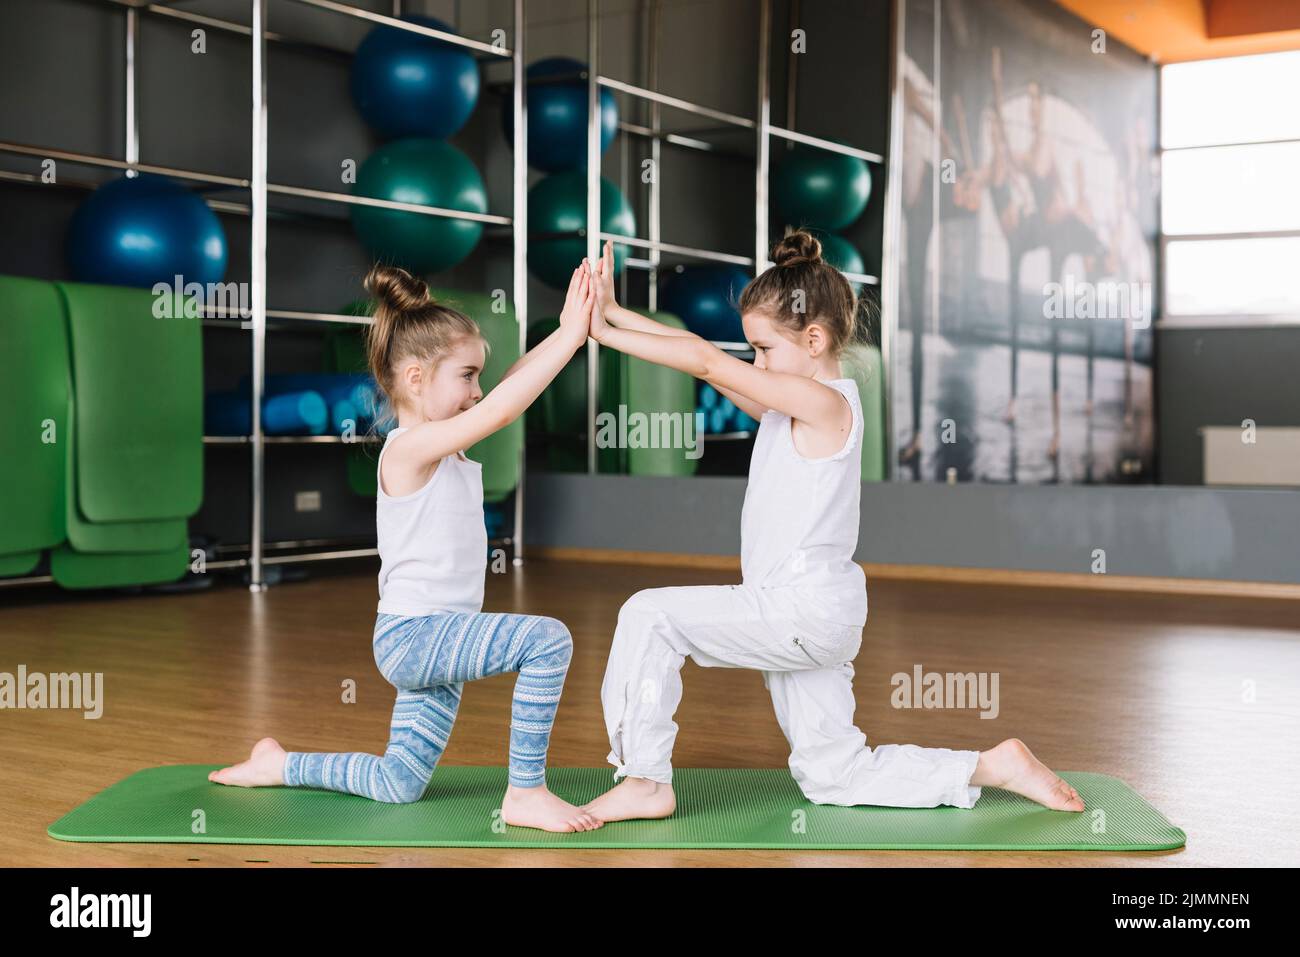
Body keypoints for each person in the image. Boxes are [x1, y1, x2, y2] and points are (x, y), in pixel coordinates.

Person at [577, 231, 1086, 822]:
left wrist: (606, 335)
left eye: (765, 350)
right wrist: (616, 311)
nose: (755, 364)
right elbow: (704, 355)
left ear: (813, 339)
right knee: (833, 776)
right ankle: (994, 765)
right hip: (810, 616)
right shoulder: (788, 405)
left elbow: (708, 361)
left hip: (801, 612)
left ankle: (644, 781)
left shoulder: (828, 406)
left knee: (648, 614)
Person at [208, 260, 606, 833]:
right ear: (417, 380)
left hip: (434, 640)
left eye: (477, 377)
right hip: (417, 638)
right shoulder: (408, 450)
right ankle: (526, 792)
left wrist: (561, 334)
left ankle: (280, 764)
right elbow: (503, 408)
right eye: (466, 376)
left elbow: (504, 392)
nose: (477, 391)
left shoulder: (441, 446)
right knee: (547, 641)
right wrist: (569, 334)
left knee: (400, 783)